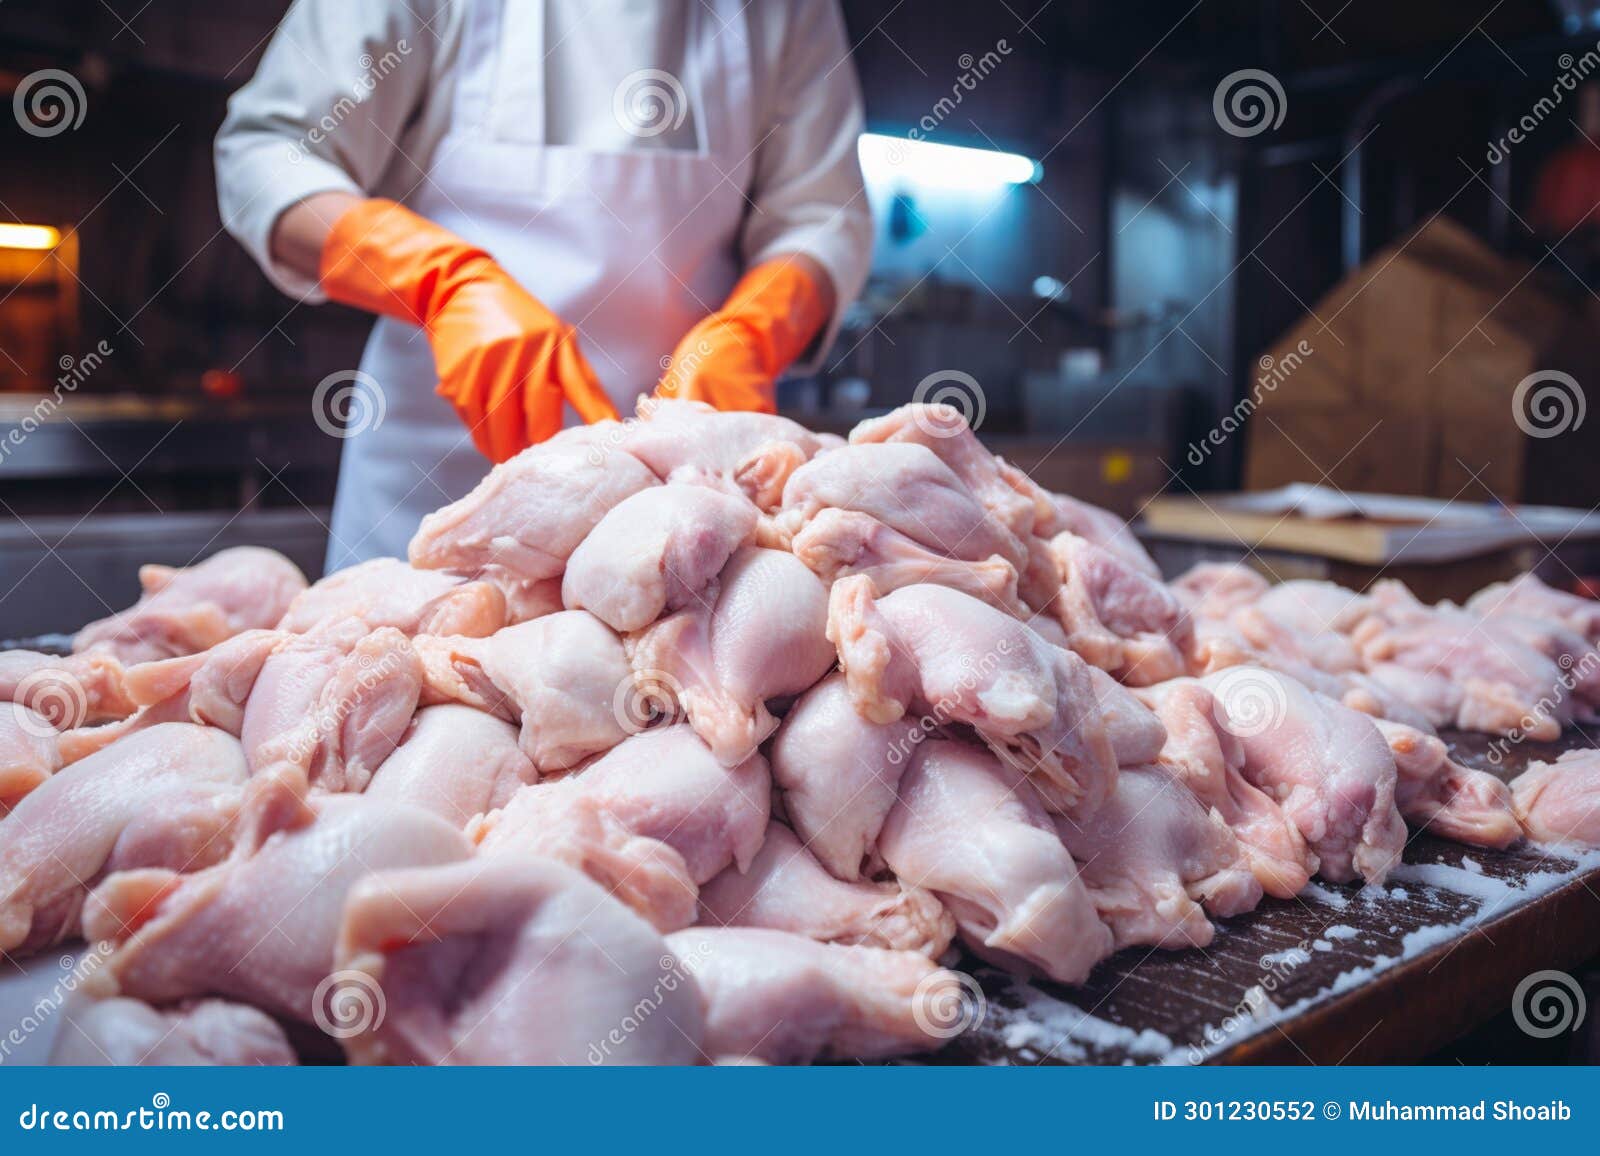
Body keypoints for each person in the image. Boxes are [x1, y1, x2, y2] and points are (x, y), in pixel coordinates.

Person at [216, 0, 872, 568]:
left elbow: (820, 216)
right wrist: (441, 282)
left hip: (688, 501)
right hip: (432, 497)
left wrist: (752, 333)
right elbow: (269, 154)